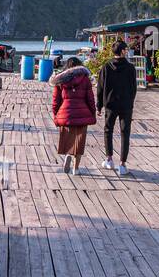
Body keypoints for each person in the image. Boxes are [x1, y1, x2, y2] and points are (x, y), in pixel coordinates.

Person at [96, 39, 138, 176]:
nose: (127, 51)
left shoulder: (106, 67)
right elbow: (134, 88)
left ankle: (109, 159)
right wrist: (130, 100)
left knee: (108, 130)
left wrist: (99, 105)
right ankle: (122, 164)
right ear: (122, 51)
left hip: (110, 104)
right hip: (126, 104)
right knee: (125, 133)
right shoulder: (130, 68)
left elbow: (100, 88)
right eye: (126, 50)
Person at [50, 55, 97, 175]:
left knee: (68, 139)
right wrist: (92, 113)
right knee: (79, 142)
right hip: (82, 114)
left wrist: (57, 115)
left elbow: (56, 101)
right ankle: (76, 169)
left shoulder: (60, 81)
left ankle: (67, 155)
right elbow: (90, 99)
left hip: (65, 114)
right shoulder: (85, 79)